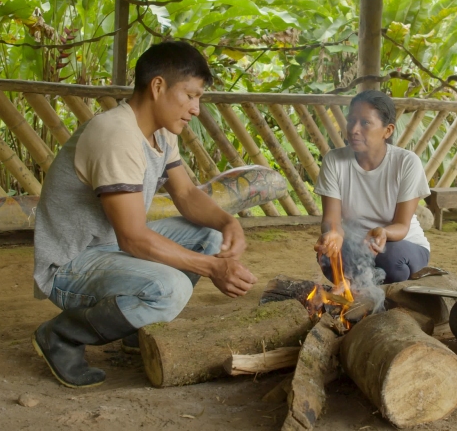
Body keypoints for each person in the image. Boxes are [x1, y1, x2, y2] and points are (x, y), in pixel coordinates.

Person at [31, 41, 258, 388]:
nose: (197, 108)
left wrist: (229, 222)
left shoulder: (161, 132)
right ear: (158, 87)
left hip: (110, 251)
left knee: (210, 236)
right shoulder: (116, 135)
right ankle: (62, 336)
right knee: (171, 289)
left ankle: (135, 327)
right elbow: (133, 238)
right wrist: (213, 268)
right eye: (191, 95)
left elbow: (184, 193)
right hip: (70, 266)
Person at [313, 90, 431, 284]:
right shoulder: (334, 160)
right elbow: (331, 220)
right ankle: (358, 293)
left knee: (391, 260)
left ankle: (367, 290)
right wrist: (332, 234)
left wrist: (384, 233)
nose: (353, 129)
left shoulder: (406, 162)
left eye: (365, 123)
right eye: (351, 120)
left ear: (388, 130)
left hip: (401, 244)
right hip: (356, 246)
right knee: (330, 254)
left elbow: (402, 226)